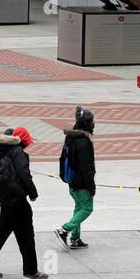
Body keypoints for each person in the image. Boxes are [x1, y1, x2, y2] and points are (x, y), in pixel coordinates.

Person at [0, 127, 48, 279]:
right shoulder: (18, 153)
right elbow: (24, 174)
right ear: (23, 141)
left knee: (0, 235)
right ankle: (30, 271)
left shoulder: (4, 151)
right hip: (18, 202)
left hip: (6, 200)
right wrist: (33, 193)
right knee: (26, 237)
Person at [54, 107, 96, 250]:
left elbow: (62, 157)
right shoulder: (84, 143)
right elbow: (87, 167)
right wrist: (91, 187)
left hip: (72, 181)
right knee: (87, 208)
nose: (93, 124)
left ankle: (75, 239)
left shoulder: (70, 138)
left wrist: (64, 176)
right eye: (91, 121)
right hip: (81, 183)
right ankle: (64, 230)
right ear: (85, 123)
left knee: (79, 208)